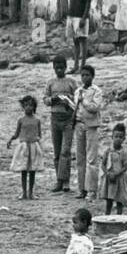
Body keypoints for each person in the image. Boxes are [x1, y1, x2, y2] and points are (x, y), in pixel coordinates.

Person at [46, 55, 78, 193]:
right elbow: (45, 99)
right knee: (57, 151)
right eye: (56, 68)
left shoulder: (71, 82)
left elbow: (78, 97)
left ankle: (65, 181)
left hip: (68, 119)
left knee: (66, 151)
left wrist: (69, 99)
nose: (59, 70)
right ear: (54, 68)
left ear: (66, 67)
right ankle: (59, 180)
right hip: (55, 119)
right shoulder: (51, 83)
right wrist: (52, 100)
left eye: (61, 67)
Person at [74, 64, 103, 201]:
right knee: (80, 159)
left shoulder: (96, 91)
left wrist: (84, 101)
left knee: (92, 159)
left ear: (92, 76)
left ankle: (92, 190)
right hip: (79, 124)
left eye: (87, 75)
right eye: (83, 75)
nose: (84, 78)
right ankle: (82, 189)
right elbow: (74, 106)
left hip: (91, 126)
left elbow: (95, 107)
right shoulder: (78, 91)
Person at [7, 94, 43, 201]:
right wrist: (10, 140)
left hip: (33, 146)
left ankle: (31, 192)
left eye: (31, 105)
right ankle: (23, 192)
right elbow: (17, 133)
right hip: (23, 147)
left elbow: (39, 134)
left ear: (34, 107)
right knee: (23, 170)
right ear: (23, 107)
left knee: (32, 171)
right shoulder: (21, 120)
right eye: (26, 105)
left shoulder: (37, 120)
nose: (28, 107)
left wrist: (37, 142)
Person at [99, 123, 127, 215]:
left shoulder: (124, 152)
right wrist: (107, 174)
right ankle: (107, 217)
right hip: (109, 179)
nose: (118, 139)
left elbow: (125, 167)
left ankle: (119, 218)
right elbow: (103, 164)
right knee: (109, 200)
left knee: (119, 201)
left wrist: (116, 174)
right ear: (112, 137)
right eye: (116, 136)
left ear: (124, 139)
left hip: (119, 179)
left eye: (120, 137)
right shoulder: (108, 151)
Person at [67, 0, 92, 74]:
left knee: (82, 40)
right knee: (75, 41)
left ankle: (83, 65)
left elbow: (88, 2)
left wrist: (84, 17)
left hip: (80, 16)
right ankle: (76, 65)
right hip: (72, 15)